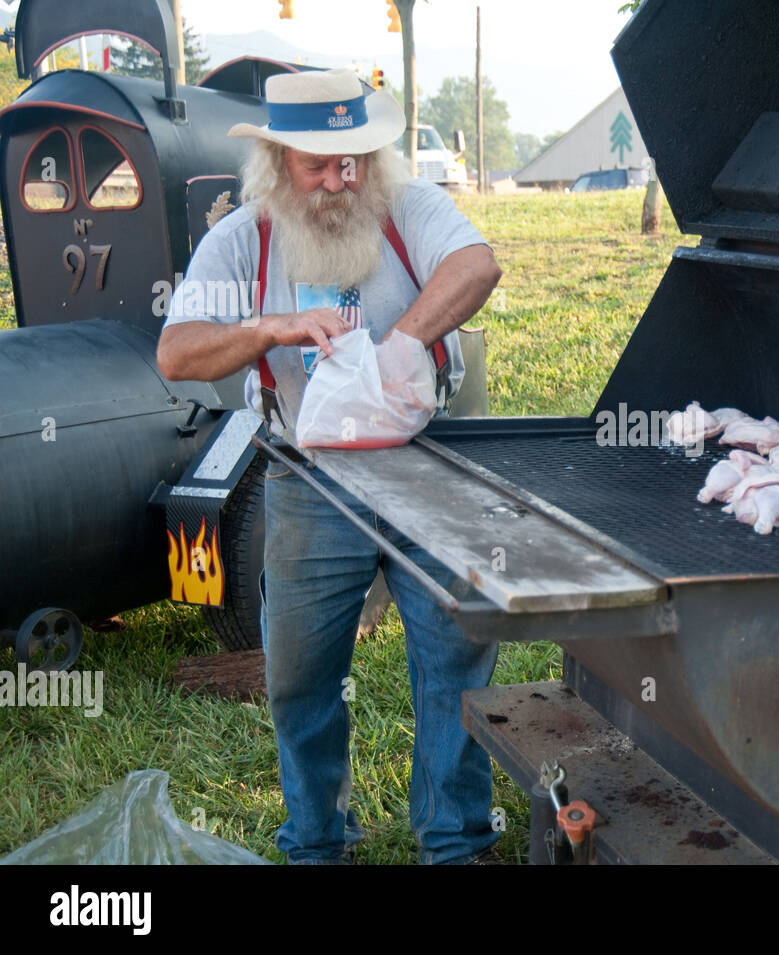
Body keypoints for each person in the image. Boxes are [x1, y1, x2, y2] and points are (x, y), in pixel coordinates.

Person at [157, 68, 503, 864]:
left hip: (426, 467)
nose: (342, 179)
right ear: (278, 162)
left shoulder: (406, 207)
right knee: (301, 674)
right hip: (306, 478)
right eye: (320, 164)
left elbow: (476, 266)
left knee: (454, 656)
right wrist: (272, 327)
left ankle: (454, 840)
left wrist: (396, 351)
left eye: (355, 159)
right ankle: (317, 840)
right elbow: (177, 350)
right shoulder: (243, 238)